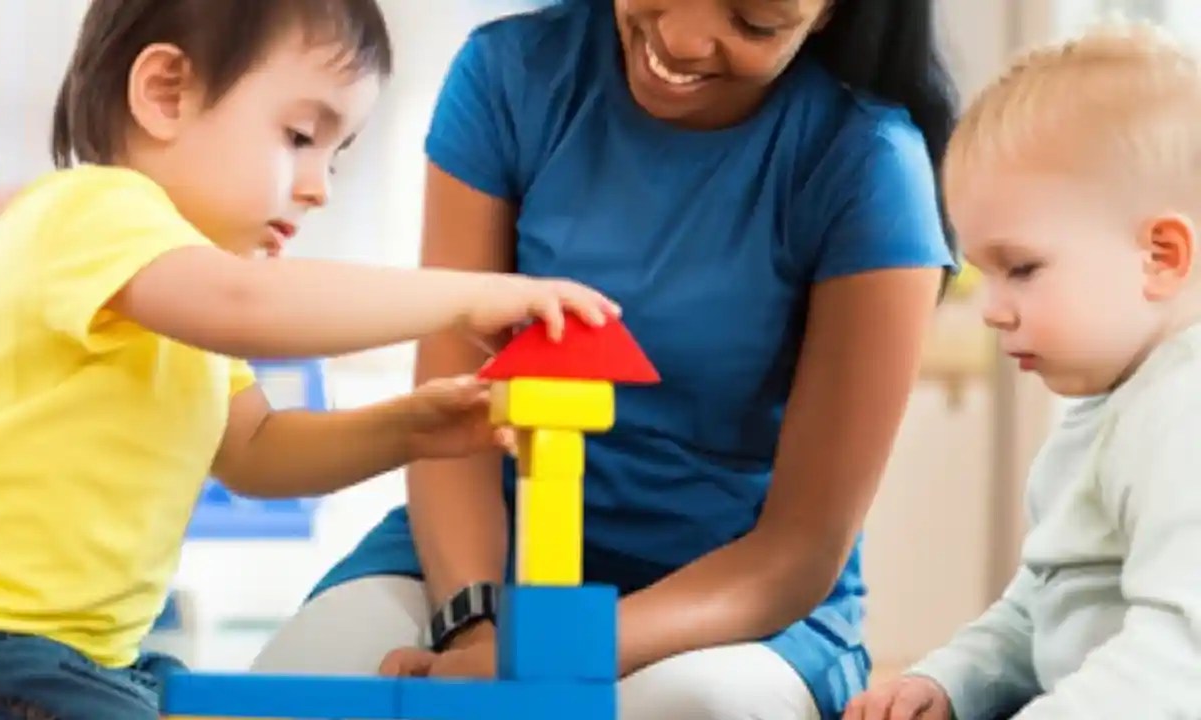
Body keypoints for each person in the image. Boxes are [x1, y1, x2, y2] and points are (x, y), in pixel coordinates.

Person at [251, 0, 959, 717]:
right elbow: (454, 420)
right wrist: (474, 622)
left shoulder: (870, 165)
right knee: (304, 685)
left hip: (732, 603)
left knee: (696, 705)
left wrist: (545, 655)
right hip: (476, 558)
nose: (682, 39)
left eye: (754, 22)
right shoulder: (513, 73)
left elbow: (795, 553)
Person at [0, 0, 621, 717]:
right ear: (166, 92)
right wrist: (468, 297)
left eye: (337, 154)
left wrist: (411, 429)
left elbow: (257, 450)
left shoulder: (176, 293)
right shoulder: (89, 212)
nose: (320, 186)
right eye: (300, 136)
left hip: (88, 662)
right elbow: (248, 305)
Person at [844, 21, 1201, 720]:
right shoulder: (1108, 410)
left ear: (1161, 256)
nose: (993, 310)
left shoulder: (1184, 416)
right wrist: (947, 682)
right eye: (985, 274)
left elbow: (1179, 657)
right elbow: (1043, 605)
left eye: (1023, 269)